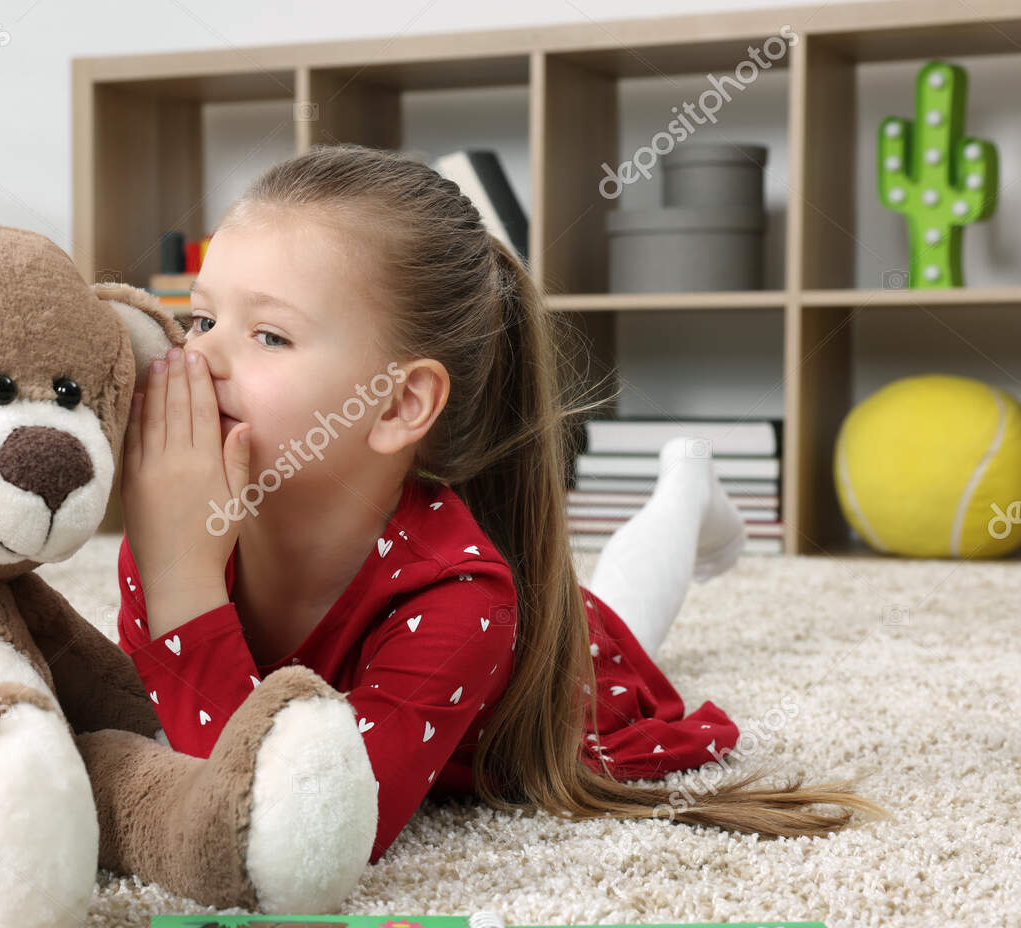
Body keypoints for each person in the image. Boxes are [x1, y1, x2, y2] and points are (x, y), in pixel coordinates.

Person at [116, 144, 879, 864]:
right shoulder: (177, 520)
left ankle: (686, 489)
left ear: (400, 404)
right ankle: (684, 495)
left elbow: (305, 827)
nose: (197, 357)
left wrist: (182, 576)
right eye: (202, 319)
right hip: (501, 600)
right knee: (597, 596)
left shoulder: (461, 601)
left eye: (270, 335)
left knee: (615, 617)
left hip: (569, 660)